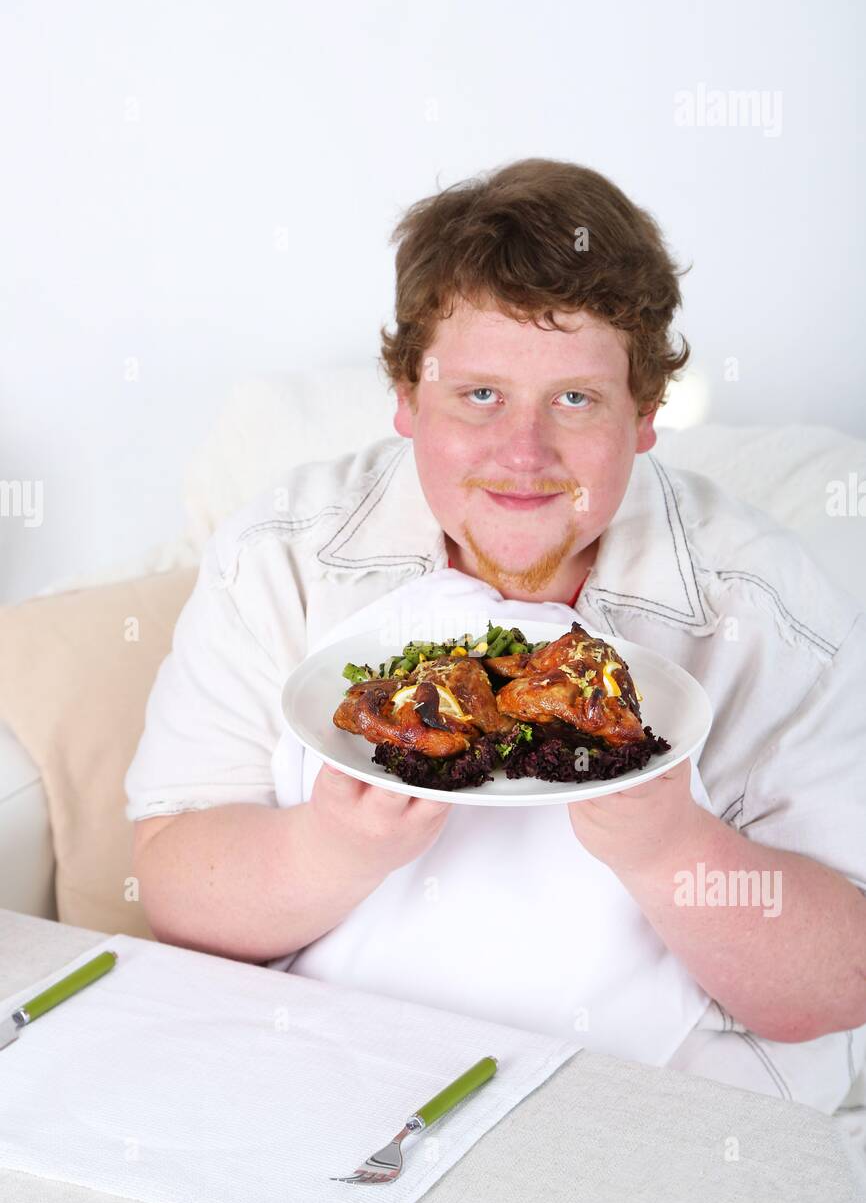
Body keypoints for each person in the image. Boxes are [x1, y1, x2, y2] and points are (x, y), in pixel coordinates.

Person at [125, 157, 866, 1114]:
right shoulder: (277, 558)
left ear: (645, 414)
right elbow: (171, 883)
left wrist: (670, 845)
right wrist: (331, 850)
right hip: (333, 1072)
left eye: (575, 399)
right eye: (479, 395)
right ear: (405, 395)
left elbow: (840, 978)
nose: (524, 456)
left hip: (659, 1105)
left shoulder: (769, 605)